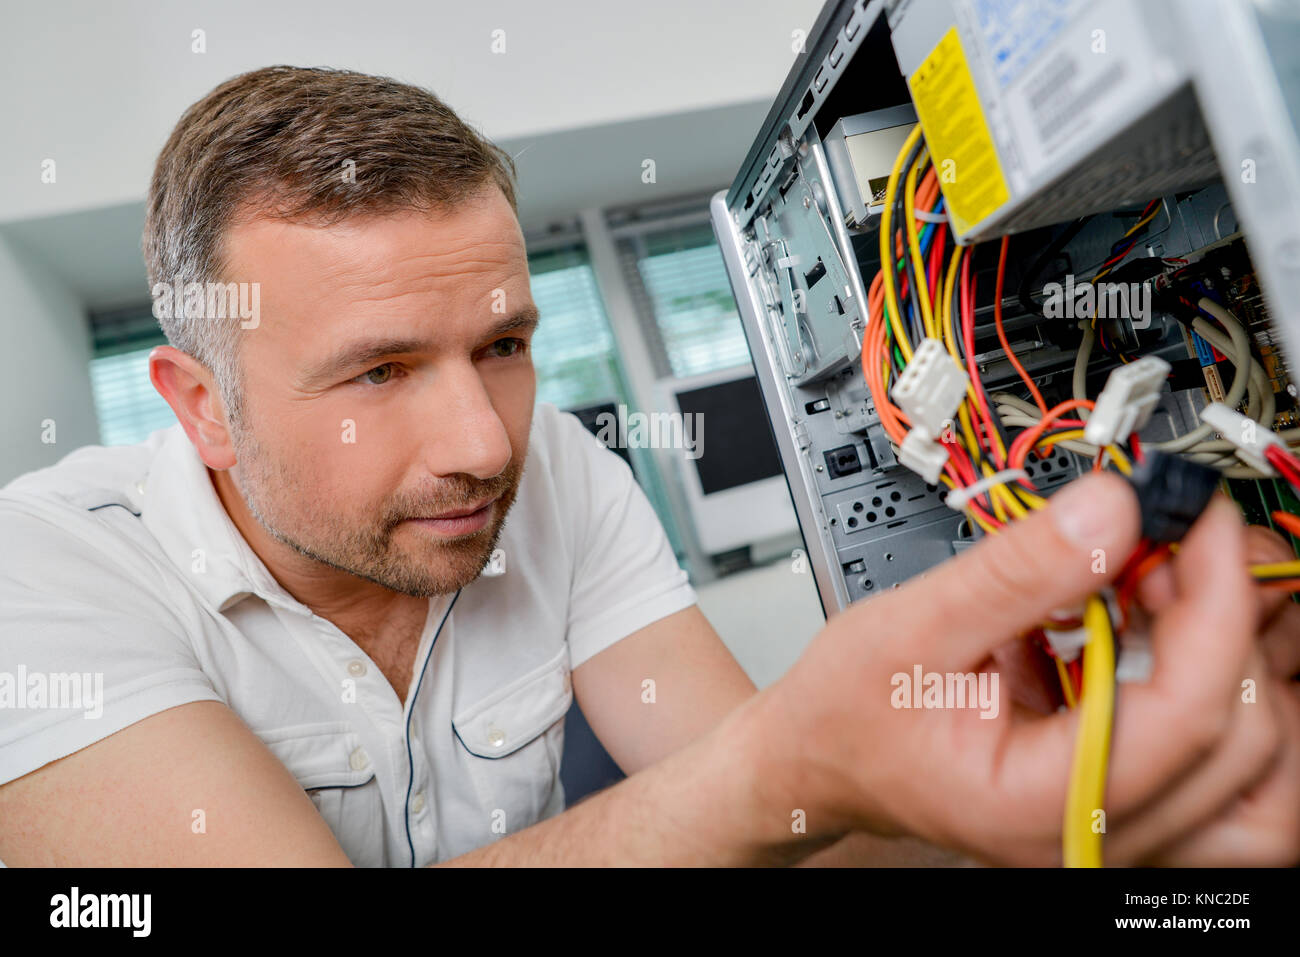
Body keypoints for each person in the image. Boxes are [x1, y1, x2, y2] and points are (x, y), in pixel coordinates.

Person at [1, 66, 1297, 867]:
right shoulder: (45, 571)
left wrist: (1012, 778)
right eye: (379, 371)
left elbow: (788, 824)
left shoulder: (551, 462)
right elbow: (762, 782)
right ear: (200, 405)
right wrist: (785, 769)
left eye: (504, 343)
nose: (486, 442)